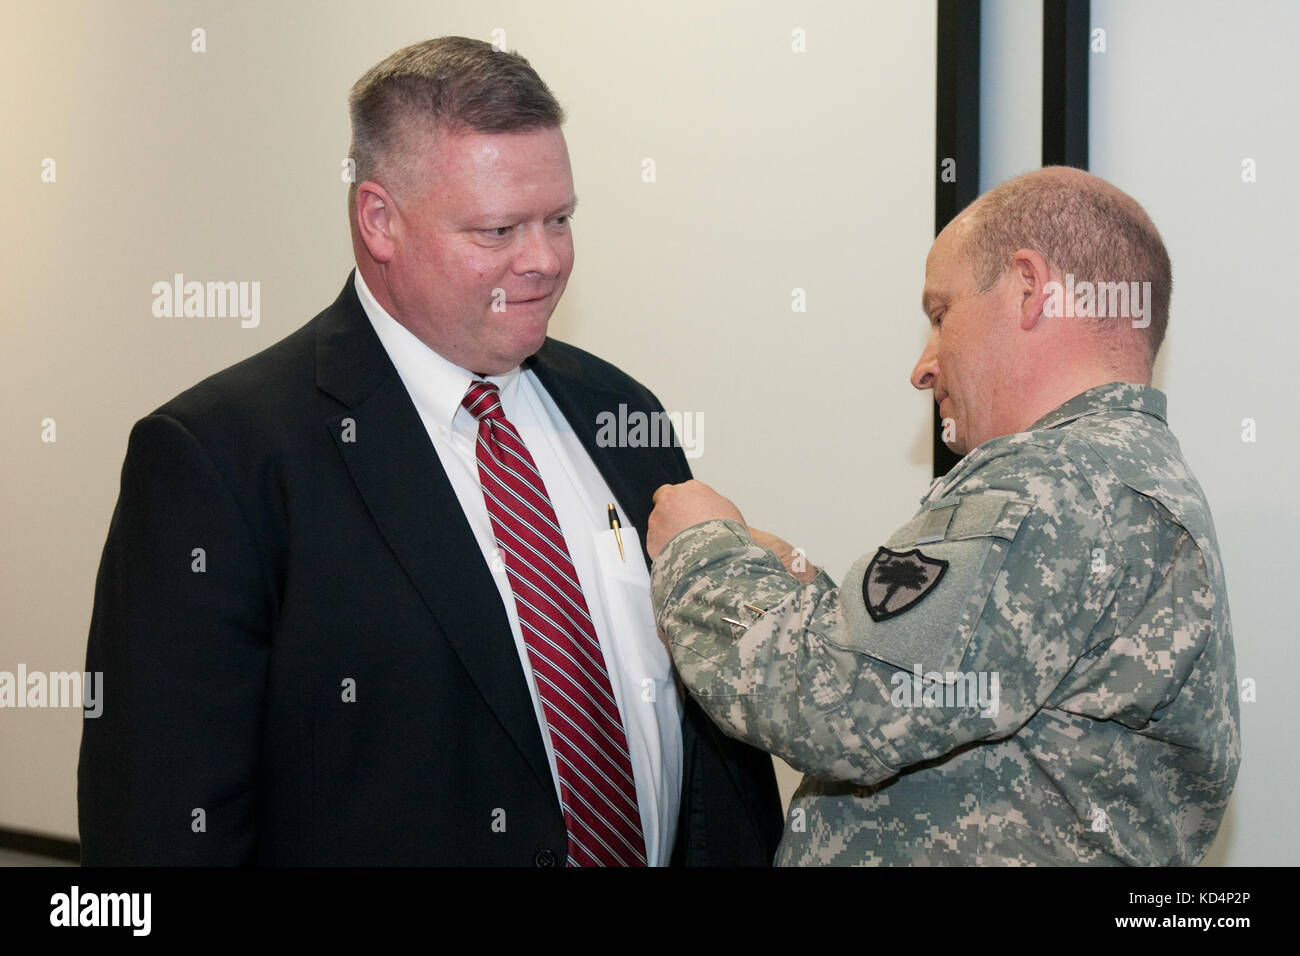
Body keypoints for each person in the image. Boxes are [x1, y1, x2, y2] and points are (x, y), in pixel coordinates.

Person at [78, 36, 781, 866]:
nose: (546, 260)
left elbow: (712, 749)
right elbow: (160, 825)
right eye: (496, 229)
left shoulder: (620, 412)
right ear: (379, 220)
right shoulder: (222, 459)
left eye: (559, 218)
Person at [646, 167, 1240, 866]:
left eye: (939, 313)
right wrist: (794, 588)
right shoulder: (1120, 478)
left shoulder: (1053, 483)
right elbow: (930, 683)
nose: (923, 367)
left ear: (1027, 287)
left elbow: (835, 702)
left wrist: (702, 550)